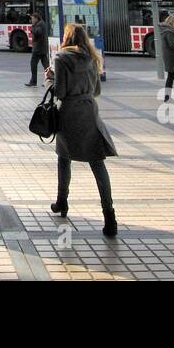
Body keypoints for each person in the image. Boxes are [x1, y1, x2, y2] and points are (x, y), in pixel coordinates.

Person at [44, 23, 118, 237]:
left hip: (68, 114)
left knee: (64, 158)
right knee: (97, 163)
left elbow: (60, 91)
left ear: (66, 37)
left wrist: (49, 78)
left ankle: (62, 202)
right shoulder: (92, 58)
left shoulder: (60, 58)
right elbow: (96, 91)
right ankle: (109, 215)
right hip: (89, 112)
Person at [26, 11, 49, 87]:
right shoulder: (41, 23)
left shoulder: (39, 24)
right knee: (46, 65)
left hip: (38, 49)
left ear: (36, 18)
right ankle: (49, 80)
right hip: (42, 48)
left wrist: (32, 27)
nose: (31, 20)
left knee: (33, 64)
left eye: (32, 19)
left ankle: (33, 81)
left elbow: (37, 32)